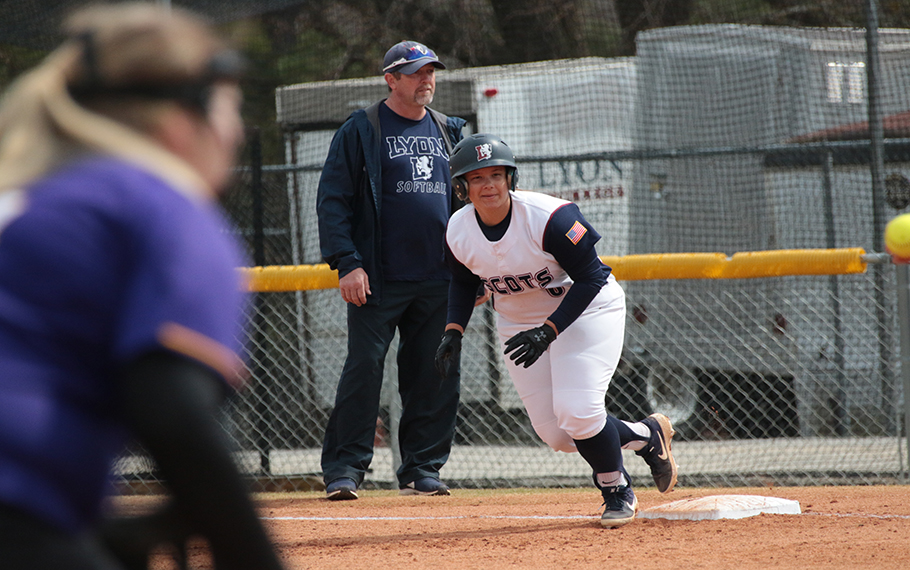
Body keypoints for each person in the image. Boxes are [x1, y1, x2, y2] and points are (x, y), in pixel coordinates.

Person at [0, 4, 285, 569]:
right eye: (231, 108)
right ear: (181, 120)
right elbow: (172, 410)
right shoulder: (159, 205)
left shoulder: (36, 198)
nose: (237, 131)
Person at [435, 133, 678, 528]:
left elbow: (591, 278)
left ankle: (615, 488)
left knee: (578, 413)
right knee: (559, 435)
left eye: (497, 174)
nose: (489, 185)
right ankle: (646, 435)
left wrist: (548, 331)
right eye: (477, 178)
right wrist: (453, 331)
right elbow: (463, 283)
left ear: (510, 179)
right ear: (462, 187)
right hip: (519, 321)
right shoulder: (457, 230)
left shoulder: (552, 218)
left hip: (586, 311)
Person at [316, 41, 466, 499]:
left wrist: (472, 272)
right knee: (363, 370)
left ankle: (422, 469)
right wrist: (347, 263)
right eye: (417, 72)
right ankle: (344, 470)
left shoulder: (449, 130)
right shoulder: (362, 129)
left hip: (440, 278)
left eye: (431, 72)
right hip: (377, 279)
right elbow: (333, 200)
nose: (427, 80)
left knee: (435, 374)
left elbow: (470, 206)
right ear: (391, 79)